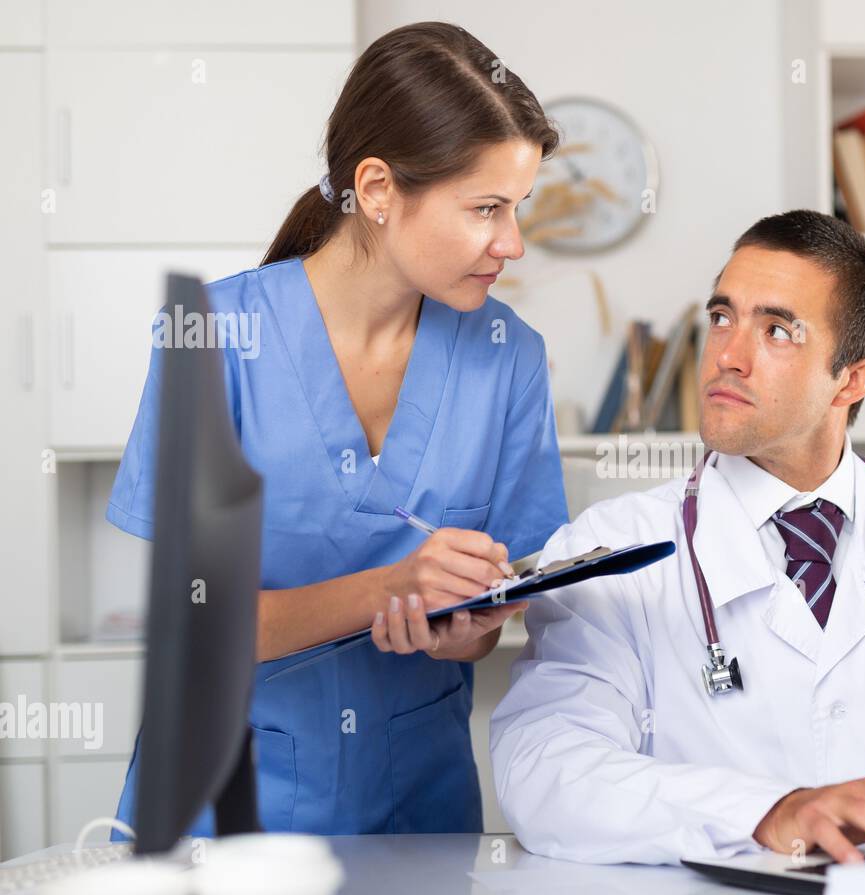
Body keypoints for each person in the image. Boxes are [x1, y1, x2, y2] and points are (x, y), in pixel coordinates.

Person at [490, 210, 865, 865]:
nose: (727, 356)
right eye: (720, 317)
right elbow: (545, 769)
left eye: (776, 330)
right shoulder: (611, 547)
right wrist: (767, 810)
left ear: (852, 380)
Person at [108, 22, 567, 836]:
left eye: (517, 207)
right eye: (486, 208)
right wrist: (383, 591)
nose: (513, 243)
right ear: (380, 190)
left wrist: (461, 629)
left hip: (418, 804)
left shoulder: (509, 358)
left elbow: (487, 633)